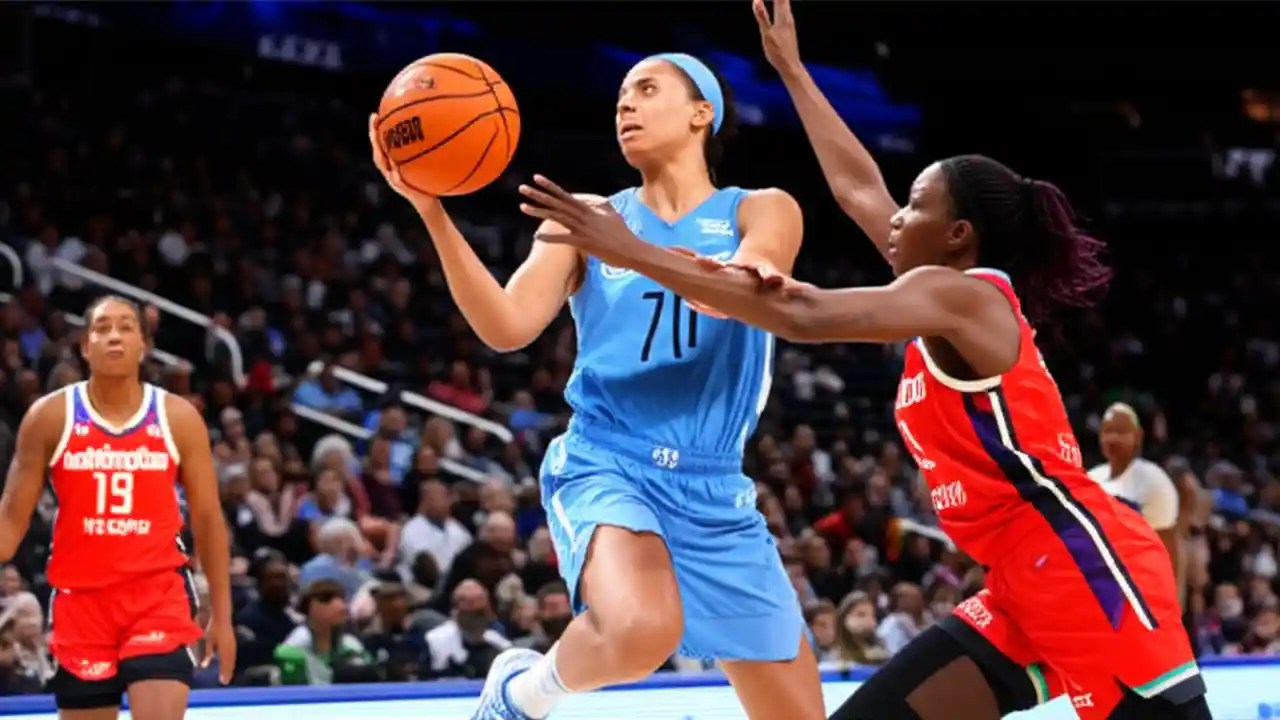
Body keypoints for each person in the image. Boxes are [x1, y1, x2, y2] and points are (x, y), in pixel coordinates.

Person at [515, 4, 1210, 719]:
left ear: (958, 235)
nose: (896, 218)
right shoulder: (936, 291)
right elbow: (856, 189)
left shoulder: (963, 300)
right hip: (1017, 585)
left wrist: (628, 250)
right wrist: (791, 70)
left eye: (915, 208)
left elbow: (802, 314)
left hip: (1084, 569)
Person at [370, 52, 823, 720]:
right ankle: (520, 696)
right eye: (619, 95)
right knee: (642, 630)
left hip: (715, 487)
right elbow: (506, 326)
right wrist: (433, 212)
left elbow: (741, 297)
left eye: (646, 89)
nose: (625, 105)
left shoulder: (763, 209)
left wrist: (630, 251)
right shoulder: (585, 218)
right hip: (611, 461)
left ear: (703, 113)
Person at [0, 295, 236, 718]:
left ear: (144, 344)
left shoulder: (177, 417)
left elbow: (207, 518)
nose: (114, 336)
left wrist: (222, 611)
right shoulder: (49, 417)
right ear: (85, 346)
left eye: (126, 327)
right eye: (102, 328)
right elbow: (9, 525)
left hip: (156, 596)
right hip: (81, 602)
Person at [1088, 403, 1183, 572]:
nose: (1113, 438)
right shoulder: (1091, 478)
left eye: (1121, 431)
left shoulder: (1155, 481)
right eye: (1108, 431)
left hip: (1138, 581)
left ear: (1138, 436)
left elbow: (1170, 553)